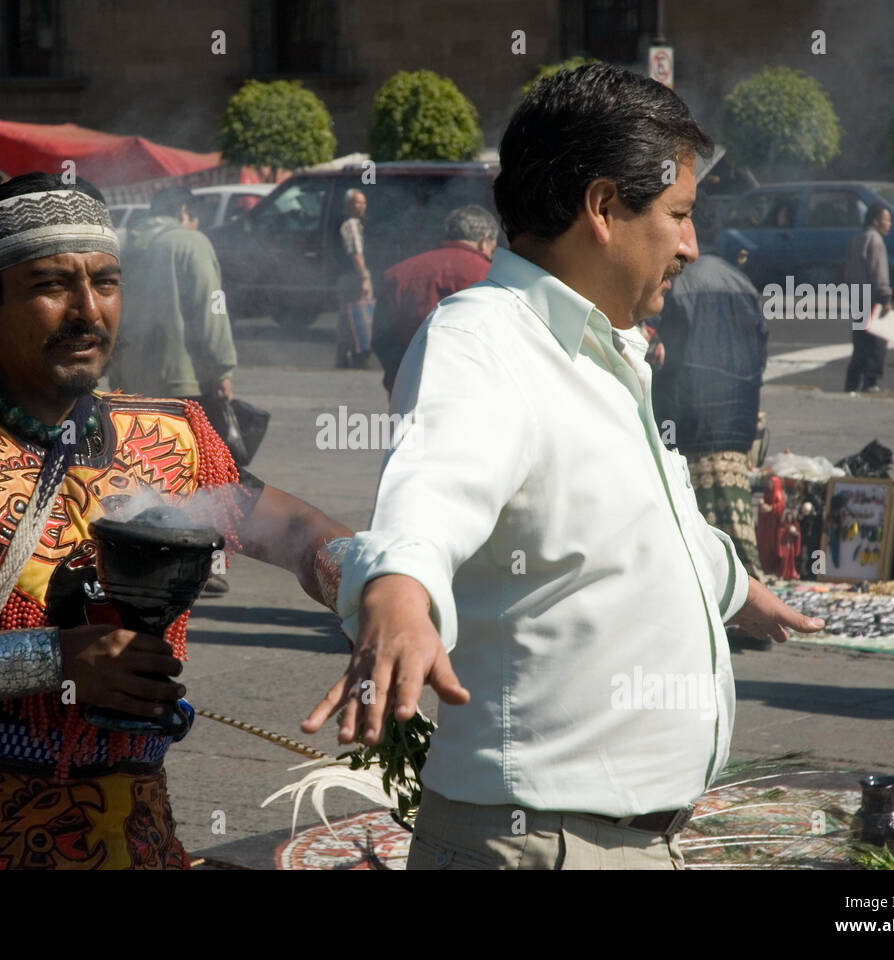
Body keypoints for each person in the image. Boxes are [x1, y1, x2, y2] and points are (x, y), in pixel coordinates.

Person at [300, 63, 823, 870]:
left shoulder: (604, 348)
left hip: (614, 842)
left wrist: (733, 588)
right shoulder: (485, 340)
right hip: (541, 846)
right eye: (680, 215)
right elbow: (431, 495)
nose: (691, 244)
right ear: (605, 208)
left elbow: (640, 526)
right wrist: (399, 593)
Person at [0, 172, 352, 870]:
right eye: (50, 285)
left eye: (106, 282)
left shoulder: (170, 440)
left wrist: (377, 592)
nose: (86, 311)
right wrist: (56, 662)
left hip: (141, 846)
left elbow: (300, 536)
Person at [107, 186, 239, 594]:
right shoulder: (189, 241)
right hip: (183, 378)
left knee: (141, 468)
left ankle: (140, 555)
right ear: (185, 211)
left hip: (130, 378)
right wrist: (221, 365)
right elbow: (211, 305)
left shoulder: (123, 246)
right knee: (197, 471)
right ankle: (199, 561)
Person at [650, 253, 769, 579]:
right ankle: (748, 596)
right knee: (736, 521)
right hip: (736, 419)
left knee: (694, 523)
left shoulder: (674, 283)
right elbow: (760, 353)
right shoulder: (740, 282)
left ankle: (727, 598)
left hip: (689, 421)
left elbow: (661, 354)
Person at [371, 205, 497, 394]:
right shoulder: (492, 276)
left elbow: (382, 339)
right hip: (473, 392)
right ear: (485, 241)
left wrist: (402, 377)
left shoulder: (397, 274)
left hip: (408, 391)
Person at [843, 203, 893, 393]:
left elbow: (847, 270)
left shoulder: (857, 239)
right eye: (887, 220)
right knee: (877, 342)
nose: (889, 224)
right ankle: (871, 382)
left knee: (860, 343)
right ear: (875, 221)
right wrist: (885, 298)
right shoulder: (876, 241)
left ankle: (852, 382)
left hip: (857, 296)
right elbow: (879, 273)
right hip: (872, 298)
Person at [335, 188, 373, 369]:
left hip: (353, 276)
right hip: (353, 277)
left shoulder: (357, 223)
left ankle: (347, 356)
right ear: (349, 205)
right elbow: (356, 253)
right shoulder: (351, 224)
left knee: (350, 317)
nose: (362, 206)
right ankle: (355, 356)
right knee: (354, 317)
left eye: (364, 202)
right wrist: (364, 277)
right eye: (358, 202)